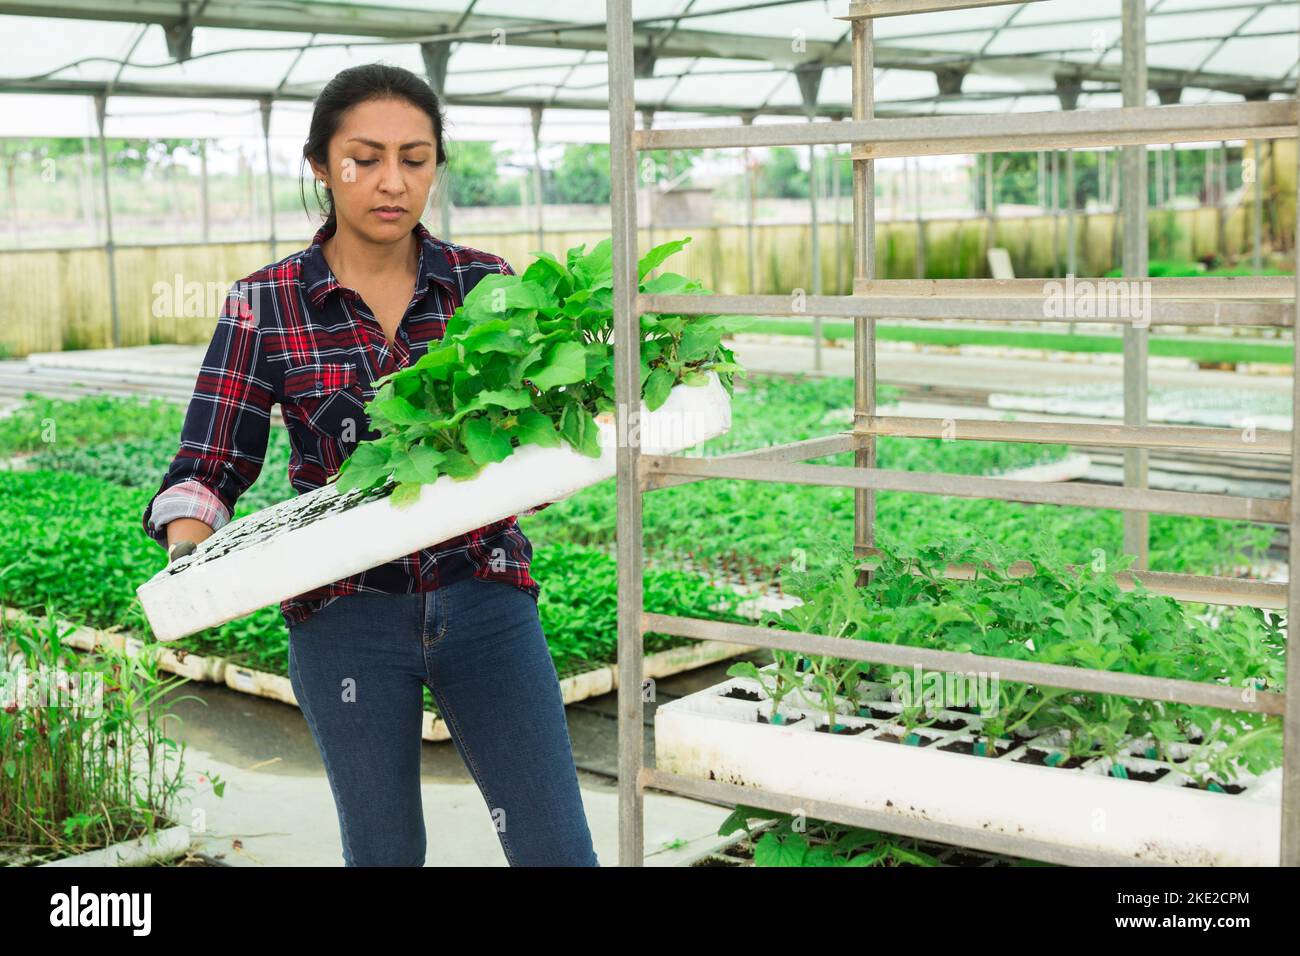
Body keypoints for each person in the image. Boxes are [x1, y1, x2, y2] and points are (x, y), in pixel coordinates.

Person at [141, 63, 599, 868]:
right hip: (344, 618)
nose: (393, 182)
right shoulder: (267, 302)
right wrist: (191, 557)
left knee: (554, 847)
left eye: (415, 159)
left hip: (485, 596)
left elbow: (538, 427)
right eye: (365, 157)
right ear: (321, 165)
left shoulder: (485, 286)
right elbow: (212, 461)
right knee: (384, 852)